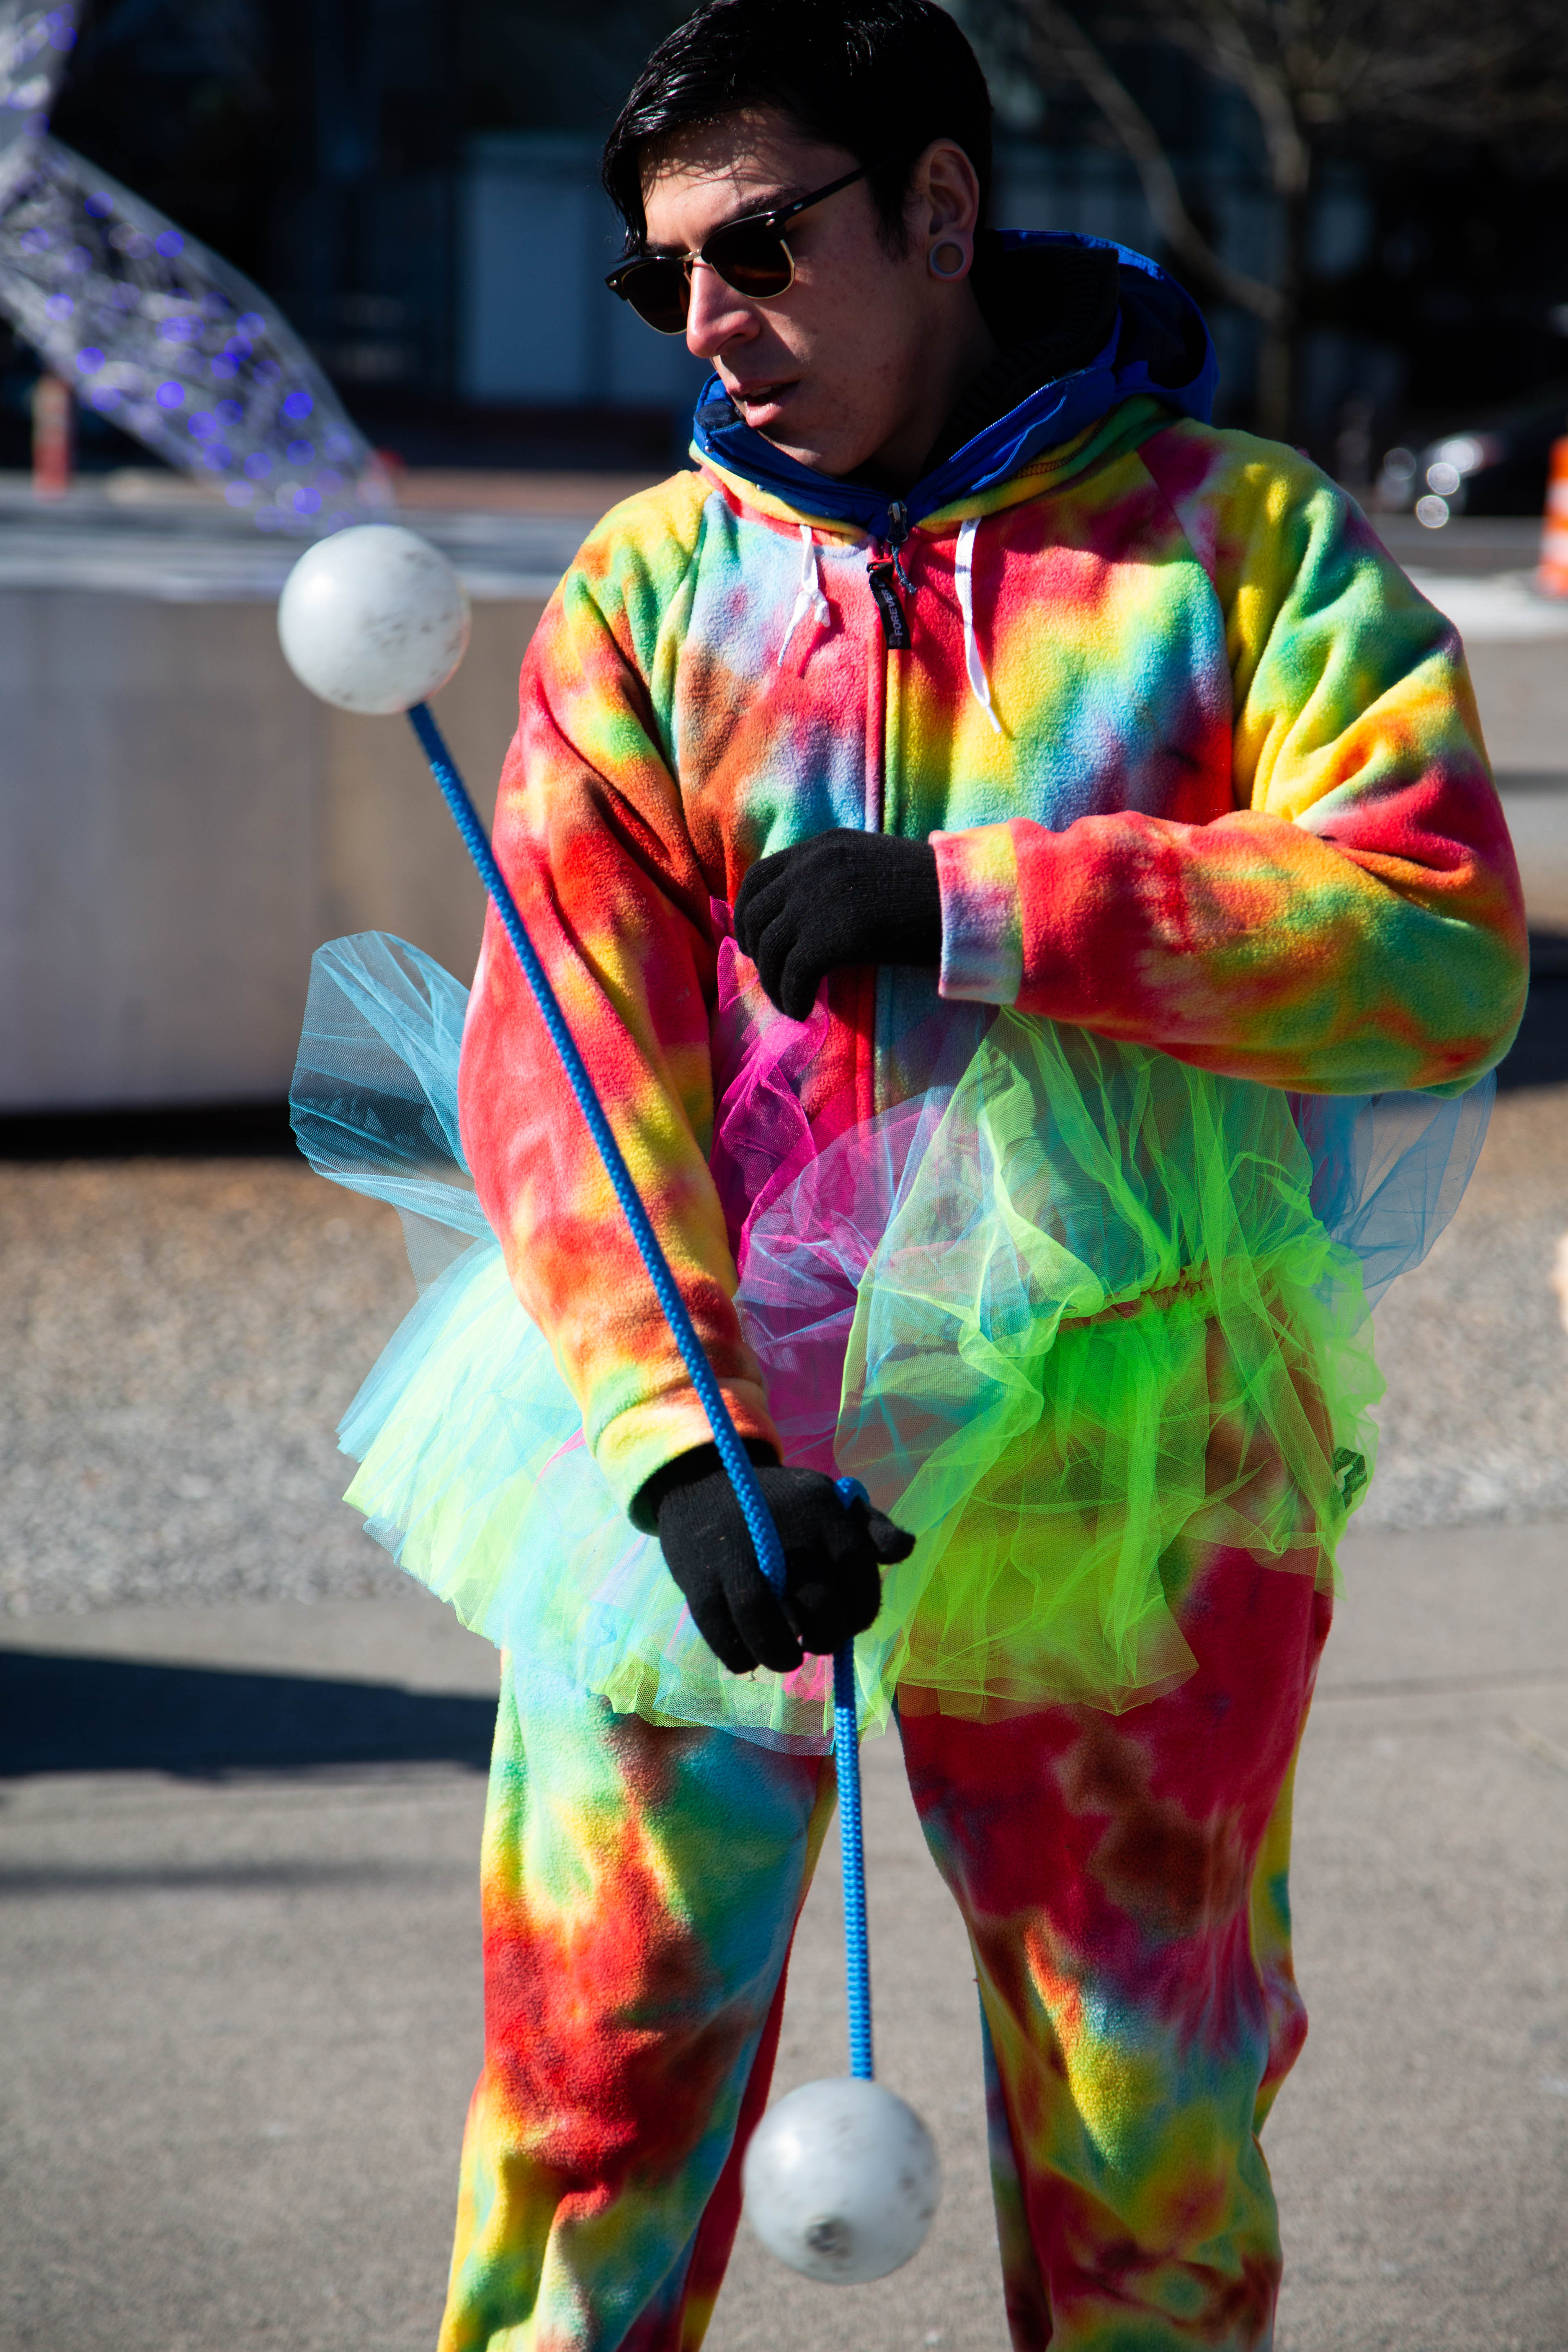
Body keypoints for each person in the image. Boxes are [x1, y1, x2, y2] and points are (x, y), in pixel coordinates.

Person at [295, 2, 1527, 2343]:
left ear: (942, 208)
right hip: (706, 1455)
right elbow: (565, 1059)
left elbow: (1439, 946)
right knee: (592, 2094)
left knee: (1148, 2118)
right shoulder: (650, 594)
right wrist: (679, 1453)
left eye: (757, 246)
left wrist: (989, 906)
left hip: (1127, 1451)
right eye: (661, 276)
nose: (706, 320)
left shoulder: (1242, 551)